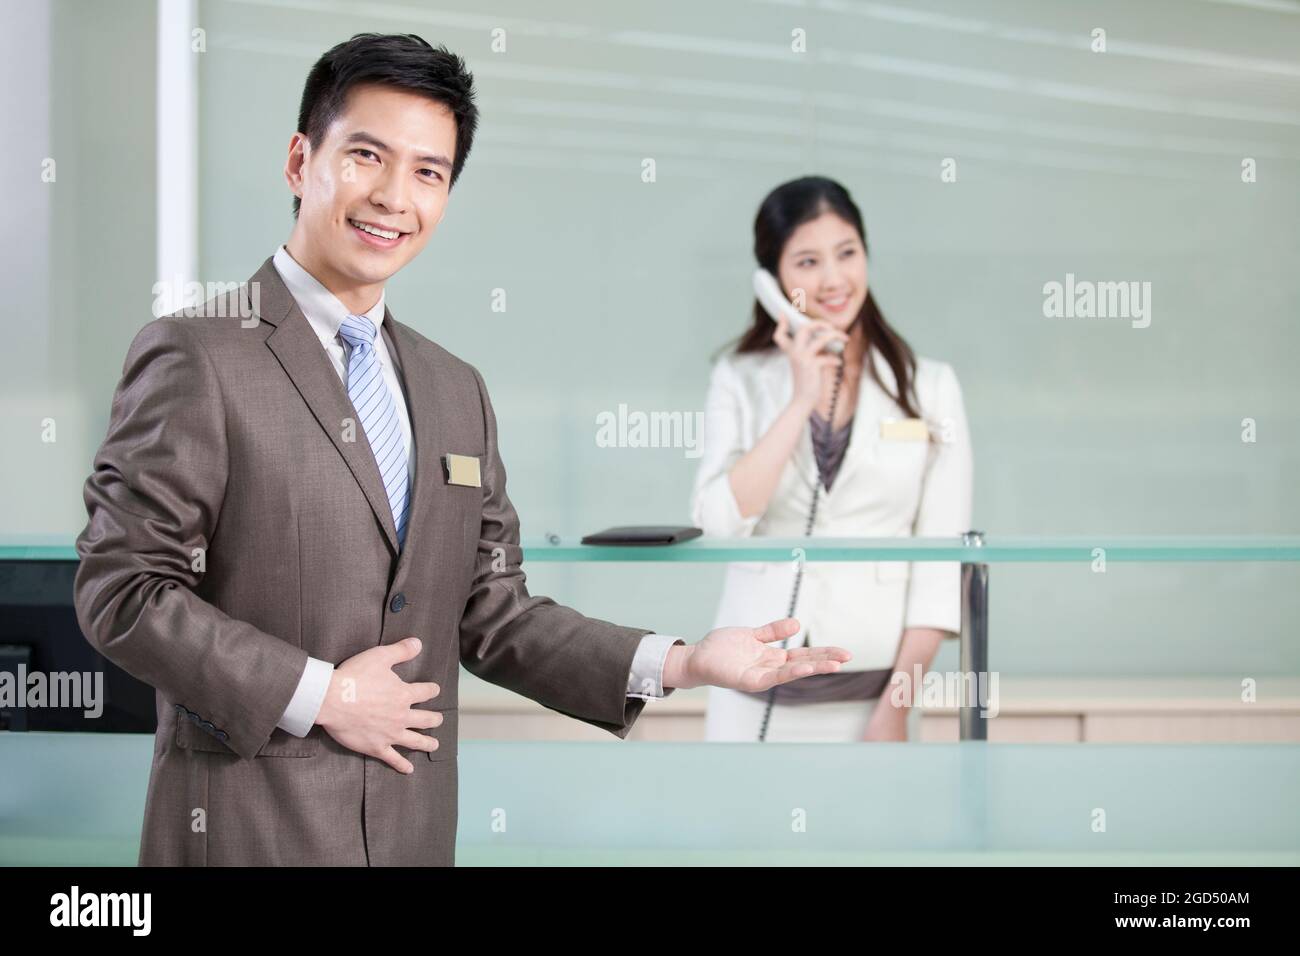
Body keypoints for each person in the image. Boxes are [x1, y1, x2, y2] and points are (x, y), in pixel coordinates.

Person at [72, 35, 851, 866]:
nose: (393, 197)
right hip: (249, 830)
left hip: (411, 831)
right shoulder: (199, 354)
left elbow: (492, 611)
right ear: (301, 161)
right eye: (366, 155)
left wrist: (686, 662)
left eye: (428, 172)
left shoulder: (453, 390)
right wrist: (325, 695)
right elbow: (124, 589)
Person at [691, 176, 973, 744]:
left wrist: (896, 708)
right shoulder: (740, 380)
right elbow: (718, 521)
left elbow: (940, 568)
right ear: (772, 281)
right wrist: (799, 399)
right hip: (752, 693)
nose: (833, 279)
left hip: (874, 699)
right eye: (808, 262)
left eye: (847, 254)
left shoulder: (930, 388)